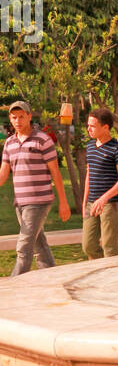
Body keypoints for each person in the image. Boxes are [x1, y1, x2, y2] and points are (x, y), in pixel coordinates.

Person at [0, 99, 71, 274]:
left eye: (21, 116)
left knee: (23, 247)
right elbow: (3, 173)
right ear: (10, 118)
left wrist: (63, 202)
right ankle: (51, 277)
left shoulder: (43, 140)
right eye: (14, 117)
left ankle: (14, 285)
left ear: (29, 116)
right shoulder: (9, 143)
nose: (17, 121)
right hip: (20, 202)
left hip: (39, 201)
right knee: (39, 246)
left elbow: (55, 172)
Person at [82, 109, 118, 260]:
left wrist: (104, 198)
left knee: (109, 247)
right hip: (92, 203)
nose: (88, 129)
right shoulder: (90, 146)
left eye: (92, 126)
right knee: (88, 246)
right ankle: (101, 270)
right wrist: (85, 201)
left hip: (110, 204)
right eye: (88, 125)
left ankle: (111, 272)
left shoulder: (116, 148)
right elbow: (89, 174)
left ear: (105, 127)